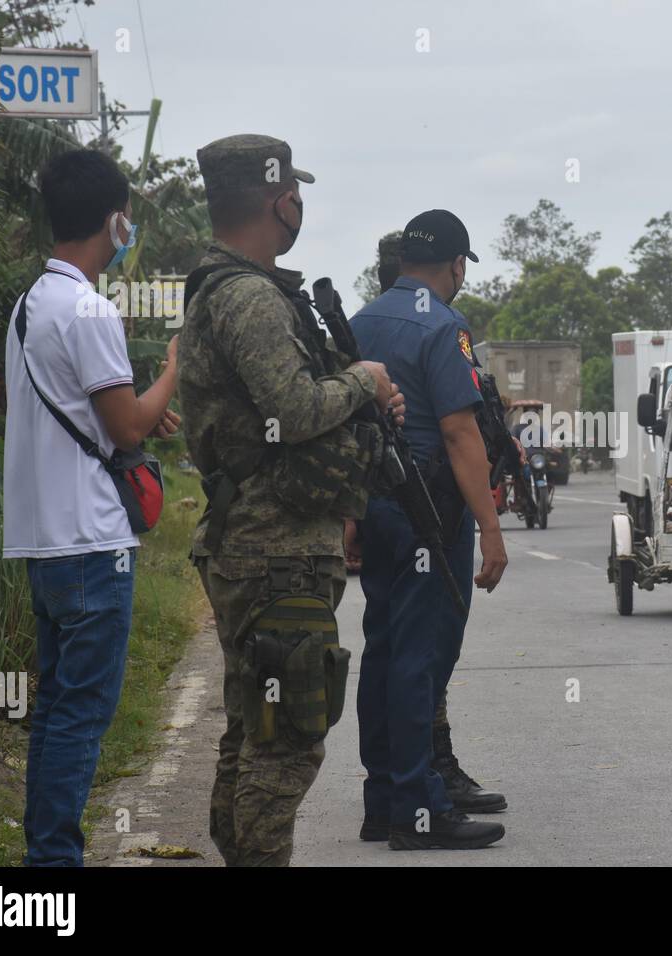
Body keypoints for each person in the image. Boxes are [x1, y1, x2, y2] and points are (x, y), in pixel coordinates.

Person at [178, 134, 402, 866]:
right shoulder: (249, 296)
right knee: (289, 733)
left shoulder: (233, 289)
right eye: (296, 196)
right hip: (273, 553)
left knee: (258, 722)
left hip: (261, 545)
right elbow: (293, 411)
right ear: (281, 202)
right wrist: (364, 381)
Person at [3, 149, 181, 866]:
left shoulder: (30, 306)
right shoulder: (91, 306)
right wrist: (173, 373)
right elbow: (127, 428)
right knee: (80, 717)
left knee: (54, 713)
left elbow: (97, 415)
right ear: (114, 221)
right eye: (128, 217)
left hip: (42, 543)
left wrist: (142, 407)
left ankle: (42, 864)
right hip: (92, 545)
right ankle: (54, 872)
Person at [349, 209, 508, 850]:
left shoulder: (360, 322)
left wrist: (352, 514)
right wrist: (492, 531)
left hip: (377, 506)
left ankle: (383, 799)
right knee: (422, 653)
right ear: (457, 263)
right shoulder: (445, 326)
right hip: (430, 510)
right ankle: (421, 810)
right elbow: (458, 430)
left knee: (384, 648)